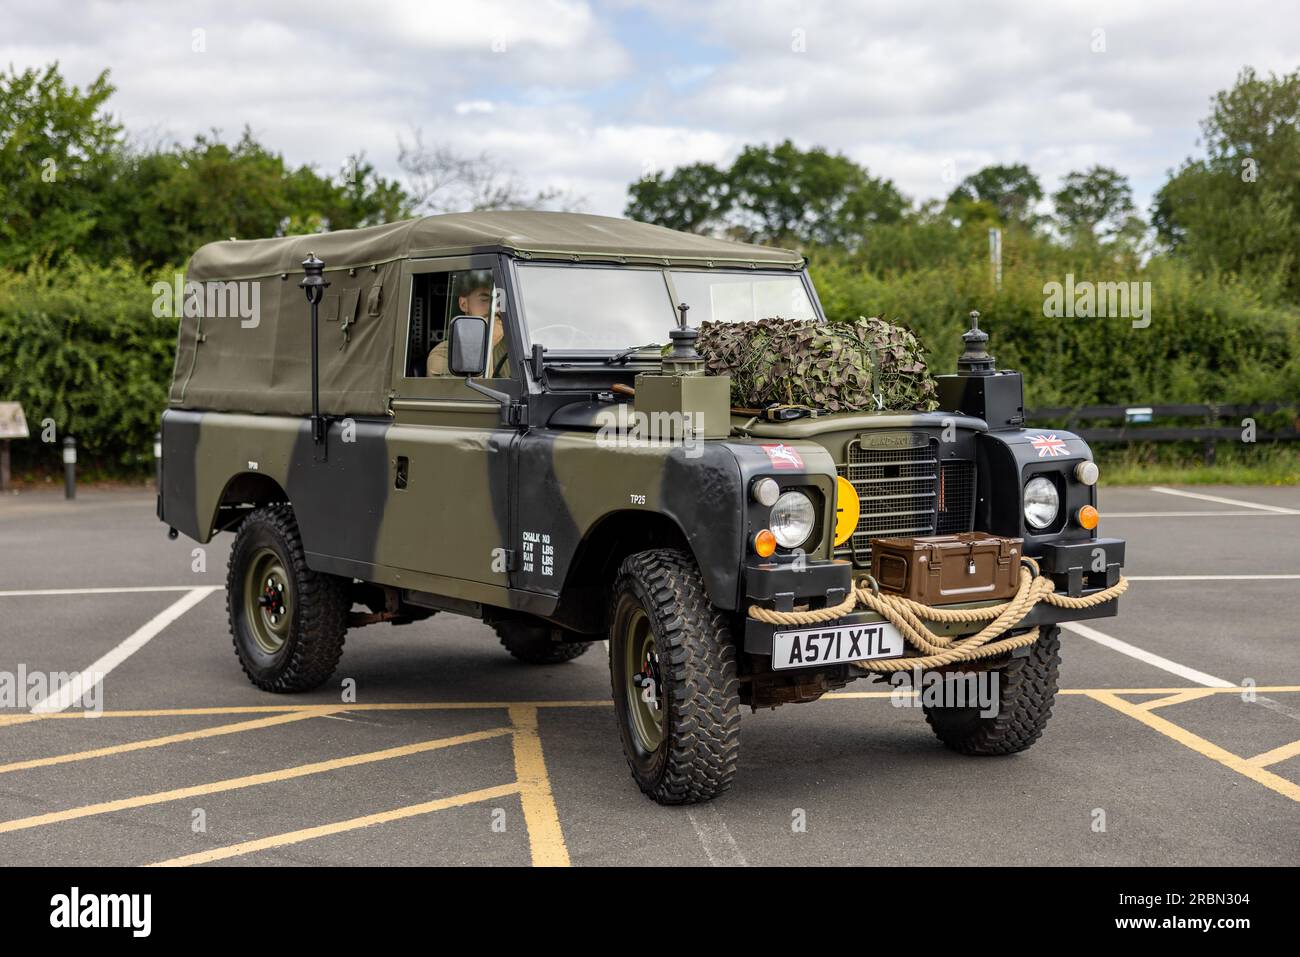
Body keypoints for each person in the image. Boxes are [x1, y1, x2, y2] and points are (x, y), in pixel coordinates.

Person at [426, 272, 510, 377]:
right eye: (485, 299)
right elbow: (476, 391)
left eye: (498, 302)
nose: (495, 309)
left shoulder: (510, 350)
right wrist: (487, 340)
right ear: (464, 304)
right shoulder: (442, 355)